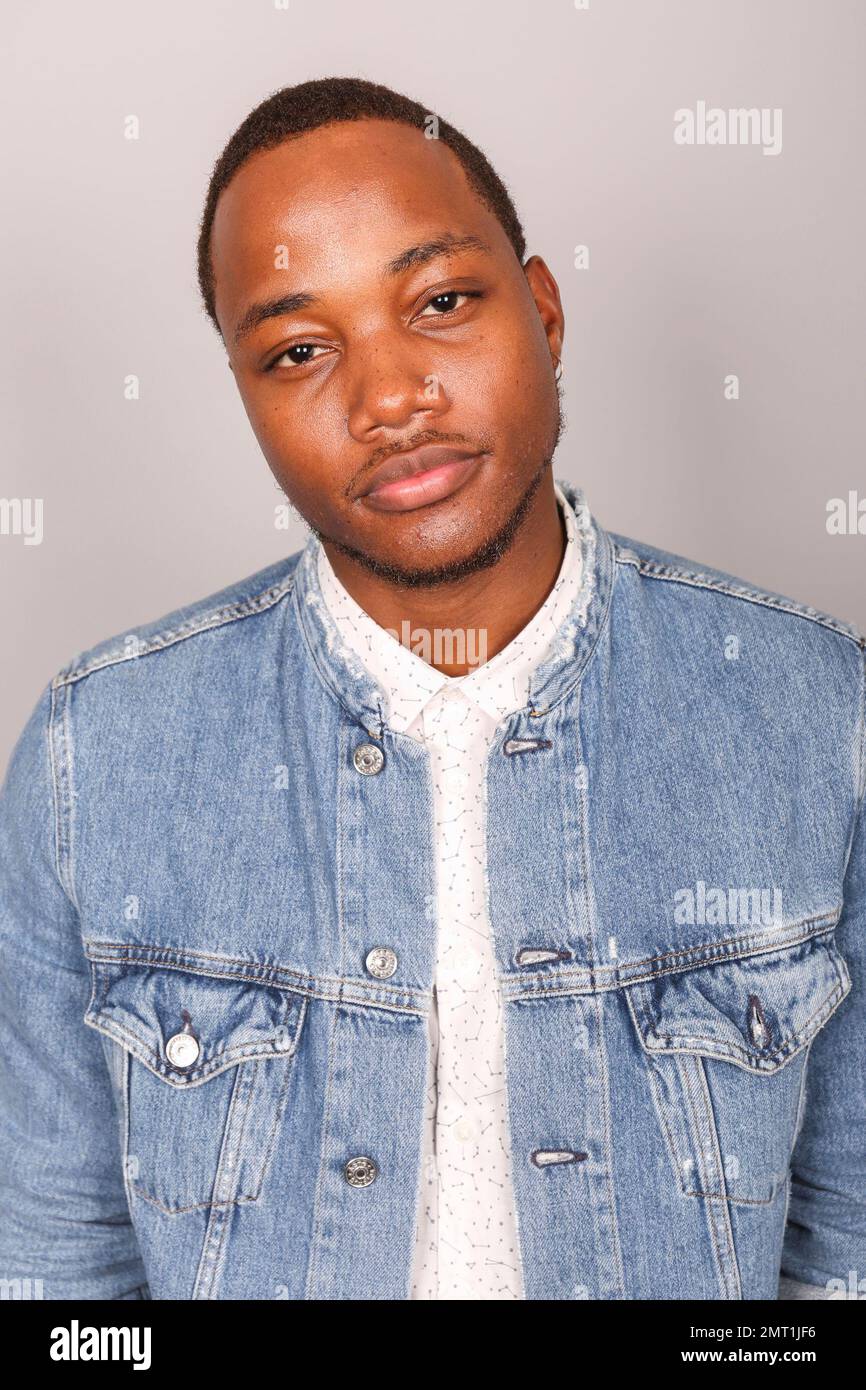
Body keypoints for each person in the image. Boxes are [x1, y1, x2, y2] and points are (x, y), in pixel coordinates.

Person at [1, 76, 863, 1302]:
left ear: (544, 312)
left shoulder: (817, 714)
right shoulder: (98, 754)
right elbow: (54, 1294)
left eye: (442, 301)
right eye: (300, 349)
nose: (388, 399)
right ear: (244, 393)